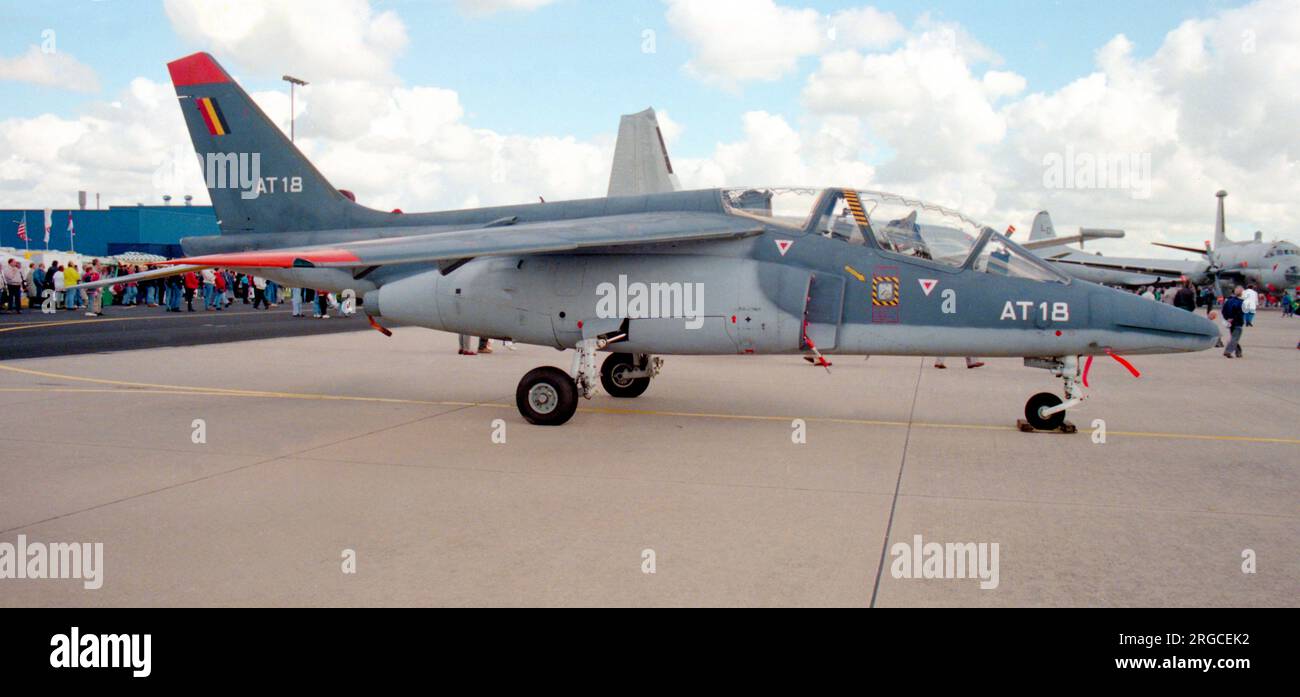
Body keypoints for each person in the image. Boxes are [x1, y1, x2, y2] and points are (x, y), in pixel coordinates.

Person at [1221, 286, 1245, 359]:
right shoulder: (1241, 302)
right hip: (1237, 322)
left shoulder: (1228, 301)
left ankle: (1238, 352)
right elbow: (1240, 313)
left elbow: (1223, 311)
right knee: (1235, 338)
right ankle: (1228, 351)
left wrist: (1227, 318)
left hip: (1230, 322)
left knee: (1234, 337)